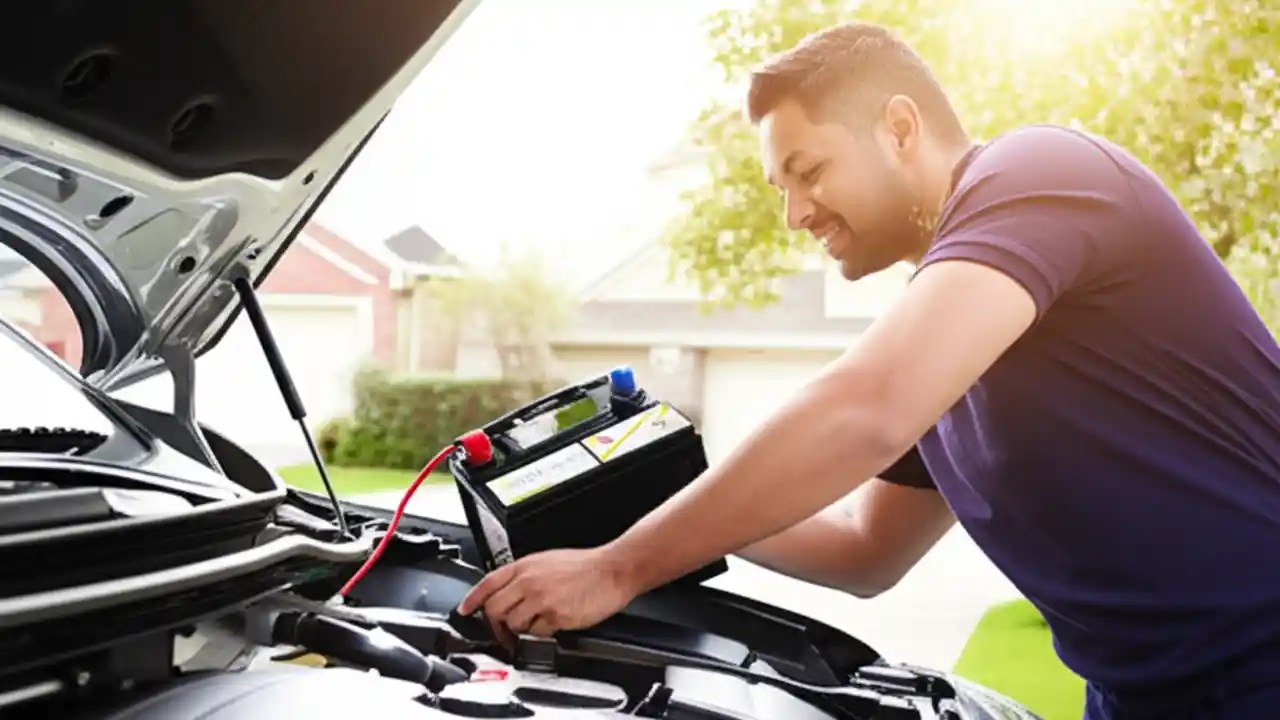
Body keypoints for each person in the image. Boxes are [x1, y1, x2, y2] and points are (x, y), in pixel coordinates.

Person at [458, 20, 1280, 719]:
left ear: (899, 128)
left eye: (809, 171)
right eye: (780, 188)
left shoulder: (1042, 171)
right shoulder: (955, 341)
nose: (794, 214)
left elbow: (867, 408)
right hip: (1142, 698)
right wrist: (651, 497)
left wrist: (617, 569)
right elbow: (866, 551)